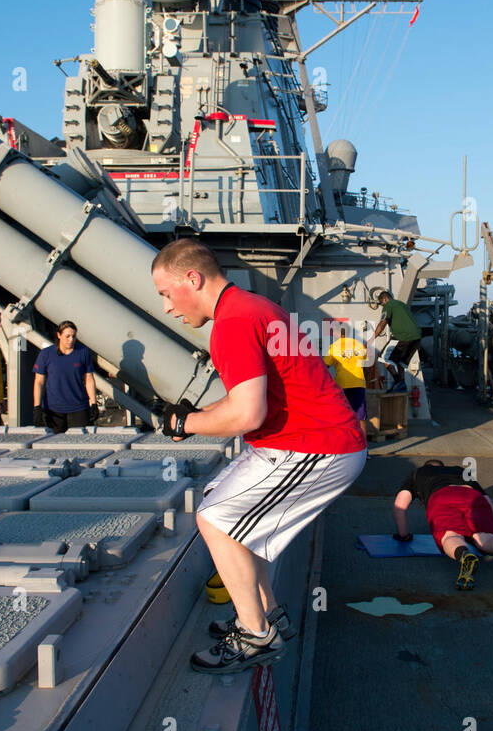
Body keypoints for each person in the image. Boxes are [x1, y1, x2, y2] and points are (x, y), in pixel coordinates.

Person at [151, 240, 367, 674]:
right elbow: (249, 398)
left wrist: (186, 425)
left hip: (317, 445)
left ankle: (255, 636)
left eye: (165, 293)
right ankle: (267, 616)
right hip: (303, 440)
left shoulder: (230, 324)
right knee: (223, 501)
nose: (167, 307)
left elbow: (248, 412)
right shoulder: (251, 307)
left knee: (214, 517)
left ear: (192, 279)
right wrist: (194, 415)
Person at [393, 459, 493, 590]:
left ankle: (465, 555)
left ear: (427, 466)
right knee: (485, 538)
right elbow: (489, 505)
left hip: (441, 497)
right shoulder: (459, 470)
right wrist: (478, 530)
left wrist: (404, 536)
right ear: (444, 466)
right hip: (473, 496)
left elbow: (400, 504)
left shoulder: (419, 473)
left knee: (450, 535)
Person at [32, 322, 98, 433]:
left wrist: (94, 403)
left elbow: (89, 378)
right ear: (59, 335)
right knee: (56, 444)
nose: (71, 339)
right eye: (67, 336)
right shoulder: (46, 354)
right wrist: (37, 407)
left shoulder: (83, 352)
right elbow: (39, 382)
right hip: (54, 409)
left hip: (79, 407)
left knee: (79, 444)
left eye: (73, 336)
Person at [323, 319, 369, 437]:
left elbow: (324, 367)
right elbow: (365, 363)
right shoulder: (358, 345)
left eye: (334, 332)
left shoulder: (334, 347)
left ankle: (346, 444)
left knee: (342, 415)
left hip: (342, 384)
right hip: (358, 383)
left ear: (339, 333)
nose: (333, 335)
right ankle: (364, 449)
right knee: (361, 416)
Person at [372, 290, 421, 392]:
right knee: (400, 362)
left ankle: (399, 381)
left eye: (381, 303)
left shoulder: (388, 305)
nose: (382, 306)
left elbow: (382, 323)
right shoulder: (401, 304)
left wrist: (371, 339)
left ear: (385, 299)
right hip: (416, 337)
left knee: (382, 357)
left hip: (403, 336)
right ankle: (402, 385)